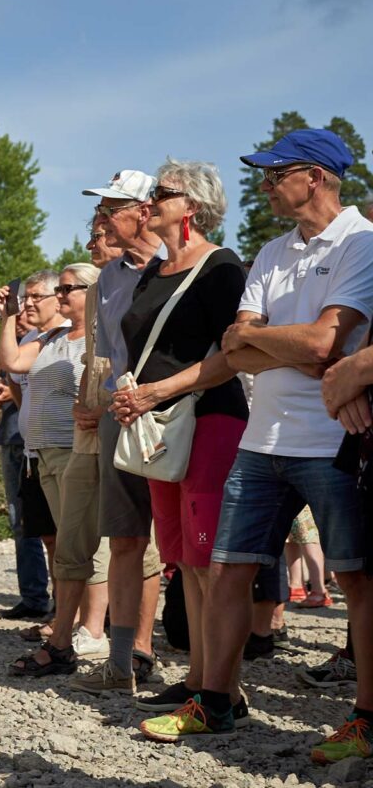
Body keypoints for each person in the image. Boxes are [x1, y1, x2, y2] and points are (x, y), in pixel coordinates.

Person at [141, 129, 373, 766]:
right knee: (228, 570)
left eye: (276, 175)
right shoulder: (271, 252)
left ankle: (366, 720)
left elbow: (325, 345)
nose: (266, 186)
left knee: (355, 577)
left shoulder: (360, 242)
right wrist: (299, 349)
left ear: (315, 177)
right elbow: (235, 343)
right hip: (262, 438)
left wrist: (275, 344)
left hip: (334, 437)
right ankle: (215, 700)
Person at [88, 160, 248, 703]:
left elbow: (232, 355)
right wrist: (130, 392)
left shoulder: (222, 267)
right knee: (182, 560)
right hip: (156, 427)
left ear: (193, 208)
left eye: (164, 192)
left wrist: (155, 392)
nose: (151, 199)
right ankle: (198, 679)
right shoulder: (152, 274)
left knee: (208, 560)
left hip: (206, 418)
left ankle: (219, 686)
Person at [79, 170, 167, 692]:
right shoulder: (109, 278)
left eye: (113, 207)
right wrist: (99, 400)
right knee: (125, 536)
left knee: (179, 546)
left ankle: (192, 667)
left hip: (170, 414)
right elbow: (106, 354)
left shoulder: (179, 268)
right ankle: (122, 662)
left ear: (145, 210)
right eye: (102, 207)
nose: (103, 217)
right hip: (119, 415)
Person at [0, 264, 105, 676]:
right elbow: (12, 362)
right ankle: (72, 624)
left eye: (67, 289)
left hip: (76, 447)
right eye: (57, 290)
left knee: (84, 543)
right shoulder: (51, 338)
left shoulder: (98, 337)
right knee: (63, 545)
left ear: (91, 292)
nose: (60, 296)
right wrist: (9, 315)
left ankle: (91, 630)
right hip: (43, 451)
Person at [0, 301, 51, 621]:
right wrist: (5, 396)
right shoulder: (16, 346)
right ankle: (35, 596)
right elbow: (12, 380)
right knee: (21, 521)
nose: (14, 318)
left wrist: (14, 393)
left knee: (50, 524)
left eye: (15, 312)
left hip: (41, 443)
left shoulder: (48, 341)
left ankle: (55, 601)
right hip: (12, 440)